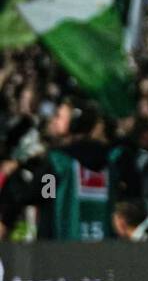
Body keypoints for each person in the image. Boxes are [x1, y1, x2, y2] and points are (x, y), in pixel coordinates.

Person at [0, 100, 118, 241]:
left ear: (74, 123)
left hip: (60, 246)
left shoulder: (58, 162)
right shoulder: (108, 162)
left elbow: (41, 195)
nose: (54, 121)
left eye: (59, 116)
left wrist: (13, 174)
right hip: (99, 244)